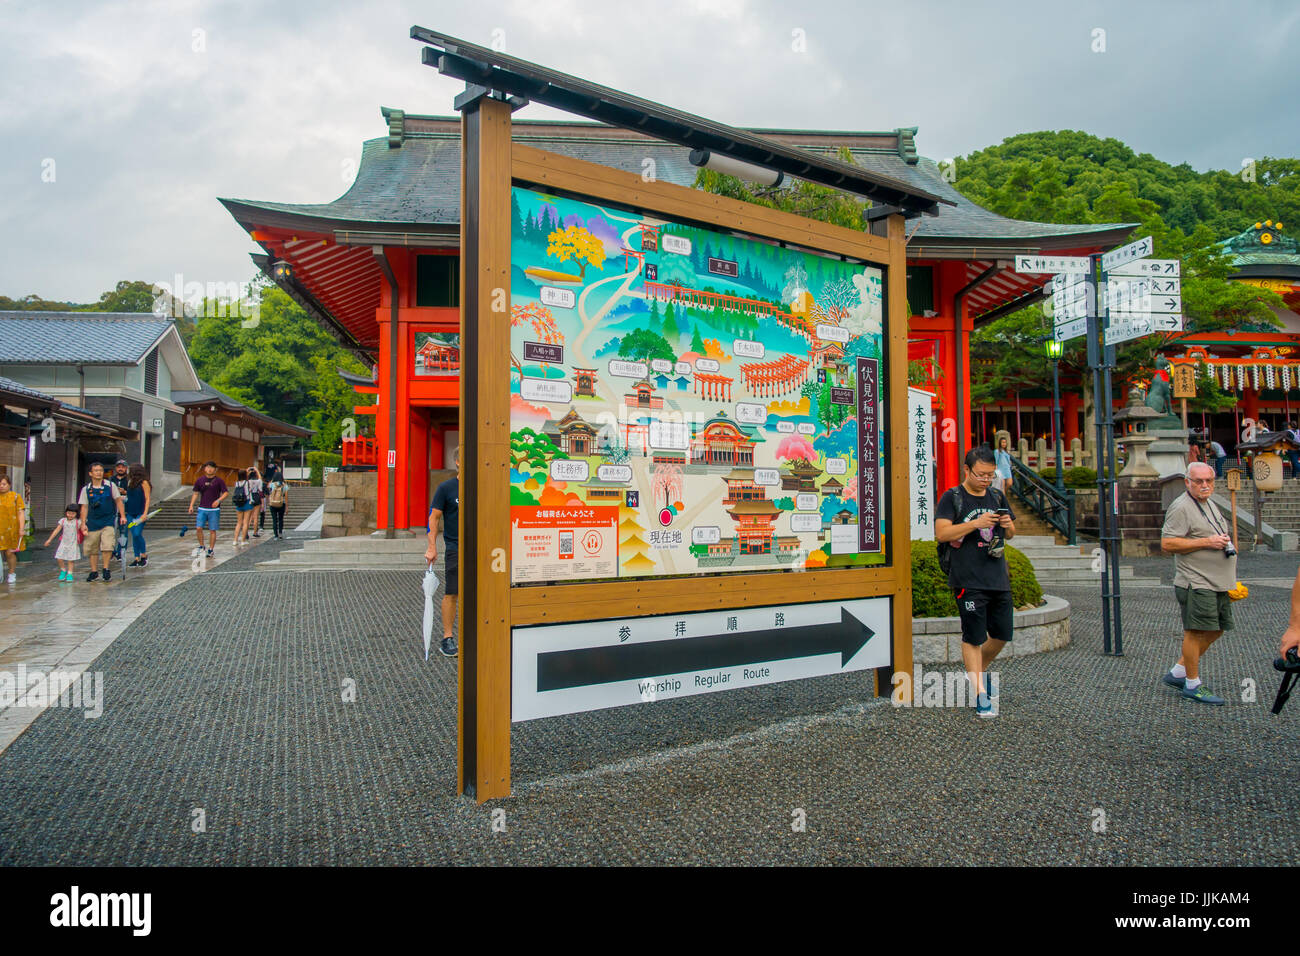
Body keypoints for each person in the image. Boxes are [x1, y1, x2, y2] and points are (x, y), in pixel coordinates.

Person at [935, 447, 1017, 718]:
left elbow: (1012, 534)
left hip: (997, 575)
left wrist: (1006, 524)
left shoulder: (996, 495)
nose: (986, 480)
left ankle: (977, 673)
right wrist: (976, 523)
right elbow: (942, 533)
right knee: (973, 636)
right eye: (981, 475)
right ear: (967, 471)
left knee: (1003, 633)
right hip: (967, 577)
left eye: (990, 475)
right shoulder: (953, 497)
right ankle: (980, 693)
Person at [1159, 461, 1237, 706]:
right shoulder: (1181, 507)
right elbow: (1167, 544)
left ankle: (1179, 671)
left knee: (1218, 628)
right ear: (1187, 482)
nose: (1205, 485)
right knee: (1195, 632)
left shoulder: (1210, 503)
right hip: (1196, 581)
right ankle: (1192, 684)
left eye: (1209, 481)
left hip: (1218, 581)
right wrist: (1207, 543)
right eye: (1199, 481)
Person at [425, 448, 460, 658]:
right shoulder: (446, 488)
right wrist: (432, 546)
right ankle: (447, 637)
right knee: (452, 593)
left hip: (481, 550)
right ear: (457, 462)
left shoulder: (482, 487)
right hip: (456, 548)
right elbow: (434, 517)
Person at [78, 462, 126, 582]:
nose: (99, 472)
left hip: (108, 520)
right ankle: (94, 571)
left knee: (107, 545)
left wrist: (122, 516)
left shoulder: (110, 486)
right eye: (96, 470)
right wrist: (83, 523)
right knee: (92, 548)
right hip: (92, 522)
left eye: (100, 470)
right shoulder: (86, 489)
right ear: (90, 473)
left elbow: (118, 501)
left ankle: (106, 569)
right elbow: (84, 507)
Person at [187, 461, 228, 558]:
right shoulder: (200, 480)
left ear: (215, 469)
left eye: (211, 467)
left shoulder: (219, 481)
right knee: (198, 528)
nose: (209, 469)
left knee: (212, 530)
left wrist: (218, 500)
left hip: (214, 510)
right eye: (207, 467)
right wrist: (191, 505)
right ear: (204, 469)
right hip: (202, 508)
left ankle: (211, 549)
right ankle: (202, 546)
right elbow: (196, 493)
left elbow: (226, 493)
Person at [43, 504, 82, 582]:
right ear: (66, 512)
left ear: (76, 514)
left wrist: (86, 532)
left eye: (73, 513)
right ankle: (63, 570)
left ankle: (70, 574)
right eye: (69, 513)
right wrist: (49, 539)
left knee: (70, 560)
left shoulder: (78, 522)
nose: (70, 515)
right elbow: (57, 530)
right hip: (63, 542)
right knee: (59, 557)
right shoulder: (63, 520)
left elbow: (83, 529)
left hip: (73, 543)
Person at [0, 474, 26, 584]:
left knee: (9, 553)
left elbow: (21, 513)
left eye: (4, 484)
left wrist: (21, 528)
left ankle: (11, 573)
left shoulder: (16, 497)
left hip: (11, 530)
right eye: (0, 484)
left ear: (9, 485)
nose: (1, 486)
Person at [124, 463, 151, 568]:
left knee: (137, 533)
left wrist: (145, 513)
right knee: (133, 534)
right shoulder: (130, 482)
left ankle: (143, 555)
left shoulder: (144, 483)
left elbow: (147, 498)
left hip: (140, 512)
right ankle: (136, 557)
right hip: (130, 512)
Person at [231, 469, 255, 546]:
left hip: (239, 503)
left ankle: (235, 540)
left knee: (239, 522)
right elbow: (250, 492)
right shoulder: (247, 483)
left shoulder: (236, 483)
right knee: (245, 522)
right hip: (247, 502)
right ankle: (243, 540)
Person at [247, 465, 264, 537]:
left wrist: (247, 470)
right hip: (257, 497)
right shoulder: (258, 481)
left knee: (249, 517)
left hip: (250, 497)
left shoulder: (247, 481)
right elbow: (260, 478)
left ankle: (246, 532)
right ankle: (255, 532)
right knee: (256, 517)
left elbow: (245, 477)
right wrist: (257, 470)